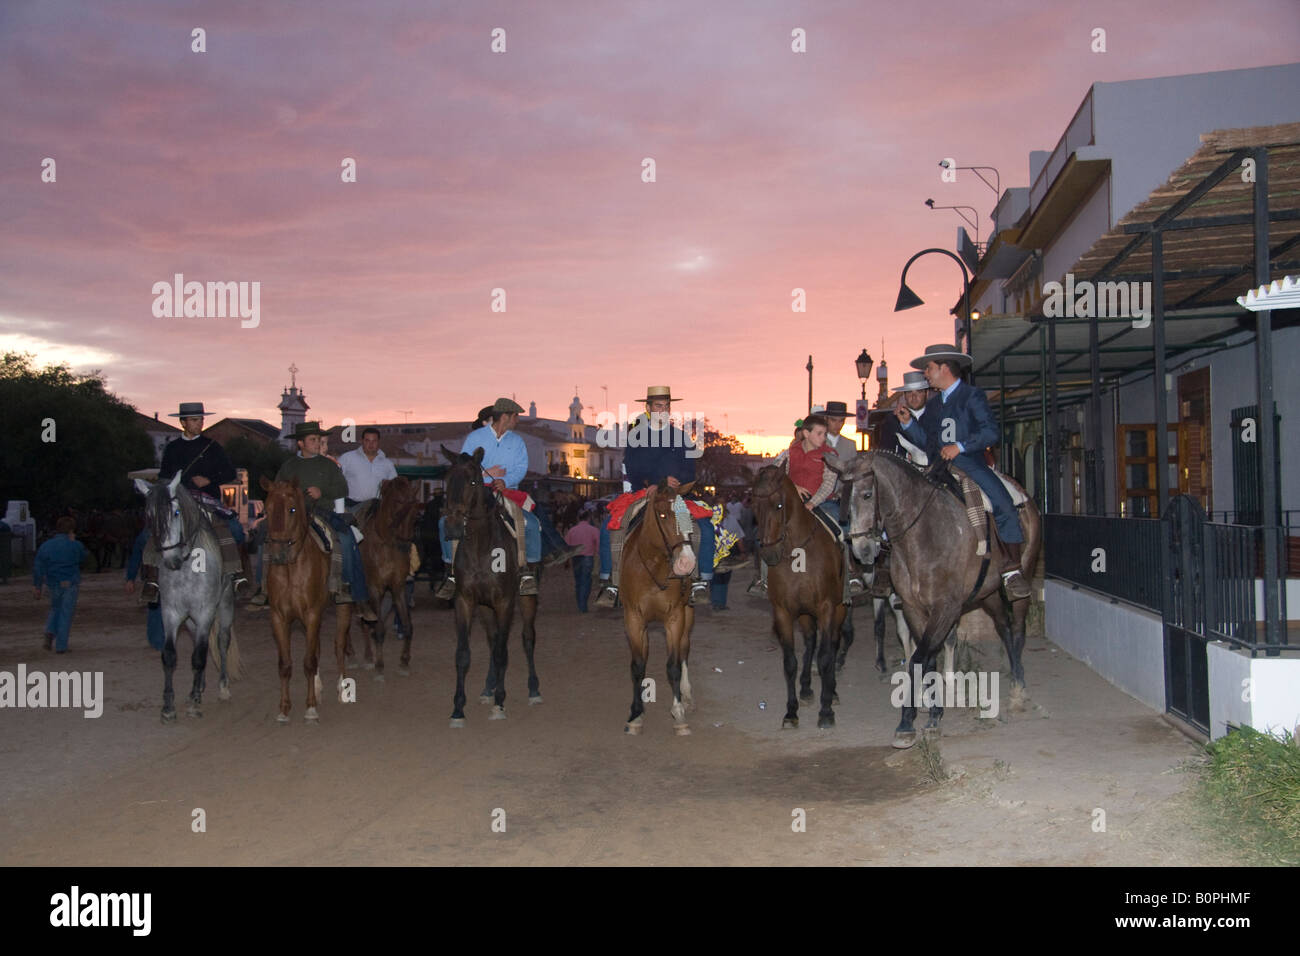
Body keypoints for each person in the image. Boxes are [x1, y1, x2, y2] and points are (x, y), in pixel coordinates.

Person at [896, 344, 1030, 600]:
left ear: (944, 368)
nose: (926, 373)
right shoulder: (934, 406)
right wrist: (908, 424)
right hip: (937, 467)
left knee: (1002, 502)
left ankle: (1013, 569)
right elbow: (927, 442)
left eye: (929, 368)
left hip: (970, 463)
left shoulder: (972, 396)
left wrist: (960, 446)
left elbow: (991, 432)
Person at [594, 386, 745, 608]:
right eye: (658, 406)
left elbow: (689, 469)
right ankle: (610, 582)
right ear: (648, 408)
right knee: (610, 525)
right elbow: (632, 468)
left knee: (702, 527)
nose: (663, 411)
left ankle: (701, 581)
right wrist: (653, 483)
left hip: (676, 497)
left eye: (666, 406)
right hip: (645, 494)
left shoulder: (681, 437)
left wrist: (678, 481)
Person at [435, 398, 579, 599]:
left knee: (530, 524)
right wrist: (487, 475)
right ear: (505, 417)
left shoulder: (517, 441)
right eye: (515, 416)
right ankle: (450, 573)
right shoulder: (475, 438)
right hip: (477, 493)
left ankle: (529, 572)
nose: (517, 420)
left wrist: (505, 480)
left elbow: (521, 468)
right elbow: (462, 470)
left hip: (506, 491)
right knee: (444, 524)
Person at [250, 421, 376, 619]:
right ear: (300, 443)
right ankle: (262, 588)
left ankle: (354, 593)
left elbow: (342, 489)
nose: (318, 443)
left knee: (346, 539)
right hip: (293, 515)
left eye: (318, 439)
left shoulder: (329, 465)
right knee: (264, 535)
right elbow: (277, 490)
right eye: (313, 440)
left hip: (323, 512)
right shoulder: (289, 466)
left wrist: (321, 491)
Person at [748, 413, 847, 596]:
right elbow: (773, 475)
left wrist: (812, 503)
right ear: (806, 434)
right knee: (763, 534)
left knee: (841, 532)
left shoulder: (829, 455)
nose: (824, 438)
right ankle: (763, 580)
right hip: (791, 505)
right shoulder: (789, 453)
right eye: (819, 433)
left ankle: (850, 579)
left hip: (823, 503)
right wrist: (794, 487)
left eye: (825, 434)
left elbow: (828, 484)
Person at [155, 401, 249, 594]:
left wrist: (209, 480)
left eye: (201, 420)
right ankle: (151, 581)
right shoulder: (172, 448)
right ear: (183, 422)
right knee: (150, 533)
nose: (200, 424)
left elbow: (230, 472)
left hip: (208, 500)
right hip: (179, 501)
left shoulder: (212, 447)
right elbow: (163, 476)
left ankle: (236, 574)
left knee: (235, 529)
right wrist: (182, 482)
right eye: (195, 420)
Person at [33, 516, 88, 653]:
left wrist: (37, 585)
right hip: (70, 582)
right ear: (71, 530)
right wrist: (74, 542)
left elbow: (38, 566)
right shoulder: (75, 545)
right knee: (66, 613)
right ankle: (61, 645)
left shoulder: (46, 545)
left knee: (55, 608)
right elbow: (83, 557)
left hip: (53, 582)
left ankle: (49, 631)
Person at [877, 371, 932, 465]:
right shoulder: (892, 420)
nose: (914, 397)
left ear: (927, 394)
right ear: (904, 395)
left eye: (919, 392)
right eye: (909, 392)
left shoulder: (936, 416)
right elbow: (885, 453)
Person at [124, 527, 164, 651]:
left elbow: (136, 556)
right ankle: (160, 641)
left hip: (153, 576)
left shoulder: (146, 533)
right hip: (166, 575)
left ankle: (157, 641)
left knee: (155, 607)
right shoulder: (175, 529)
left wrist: (130, 578)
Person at [564, 508, 599, 612]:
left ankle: (580, 602)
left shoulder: (572, 530)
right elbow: (598, 545)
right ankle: (582, 605)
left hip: (576, 558)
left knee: (578, 581)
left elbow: (566, 546)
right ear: (588, 518)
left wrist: (566, 561)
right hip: (588, 558)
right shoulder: (593, 530)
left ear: (578, 518)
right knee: (586, 581)